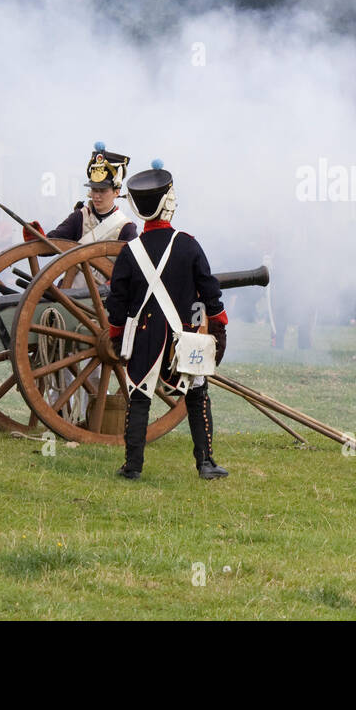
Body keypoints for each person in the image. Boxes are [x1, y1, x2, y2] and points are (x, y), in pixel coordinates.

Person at [106, 163, 228, 481]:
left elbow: (116, 303)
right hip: (183, 338)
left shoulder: (131, 251)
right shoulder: (187, 244)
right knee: (197, 393)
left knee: (139, 396)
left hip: (145, 338)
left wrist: (118, 335)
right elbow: (210, 292)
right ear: (168, 203)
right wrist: (218, 327)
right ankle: (205, 463)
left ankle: (132, 466)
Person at [30, 143, 137, 246]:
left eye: (102, 190)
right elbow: (53, 243)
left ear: (116, 192)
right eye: (94, 190)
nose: (96, 196)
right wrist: (37, 239)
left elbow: (138, 263)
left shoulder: (126, 227)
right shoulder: (79, 217)